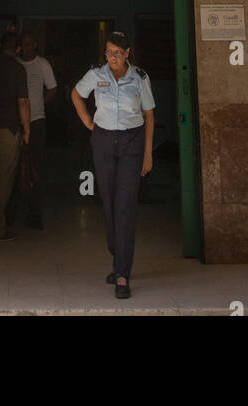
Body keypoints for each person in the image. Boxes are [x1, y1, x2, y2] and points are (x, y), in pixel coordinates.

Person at [71, 30, 154, 300]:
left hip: (132, 142)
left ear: (127, 53)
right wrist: (87, 122)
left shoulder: (139, 77)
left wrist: (147, 153)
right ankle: (117, 253)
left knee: (125, 206)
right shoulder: (96, 75)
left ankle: (122, 274)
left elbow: (148, 115)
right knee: (108, 203)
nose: (113, 57)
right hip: (104, 141)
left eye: (118, 53)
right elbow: (76, 94)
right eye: (109, 52)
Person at [0, 32, 31, 241]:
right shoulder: (18, 68)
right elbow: (22, 102)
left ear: (0, 45)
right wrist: (27, 130)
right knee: (2, 180)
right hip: (8, 130)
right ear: (18, 49)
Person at [15, 30, 57, 229]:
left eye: (30, 44)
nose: (27, 48)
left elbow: (52, 88)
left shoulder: (43, 65)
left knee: (36, 168)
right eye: (24, 44)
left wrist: (40, 104)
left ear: (36, 45)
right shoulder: (15, 64)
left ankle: (35, 213)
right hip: (15, 122)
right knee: (14, 168)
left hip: (37, 121)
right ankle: (12, 213)